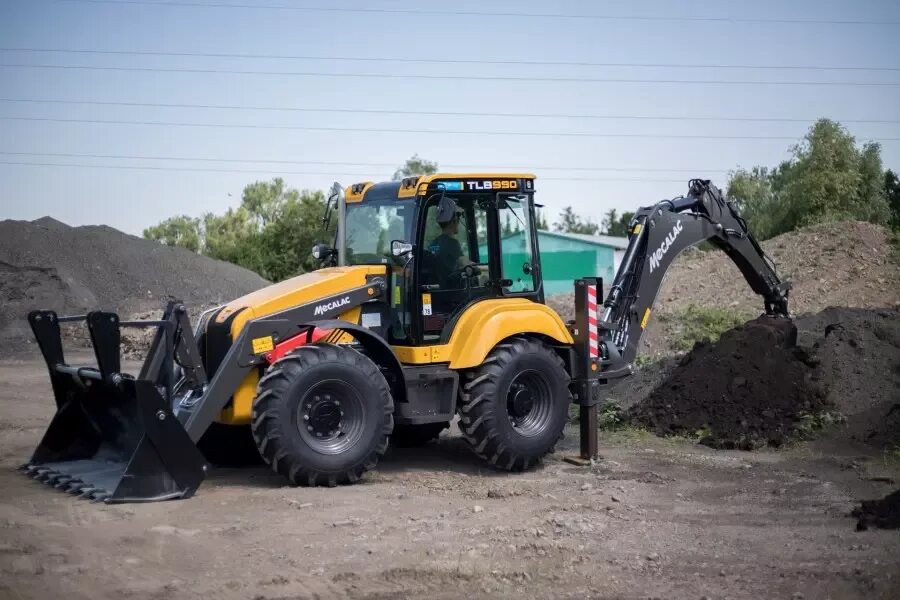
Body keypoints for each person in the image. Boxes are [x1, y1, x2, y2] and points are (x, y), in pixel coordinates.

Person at [428, 197, 473, 286]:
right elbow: (464, 263)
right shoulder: (452, 243)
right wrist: (486, 268)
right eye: (458, 221)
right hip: (451, 288)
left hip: (438, 287)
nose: (459, 223)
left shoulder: (433, 243)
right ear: (454, 221)